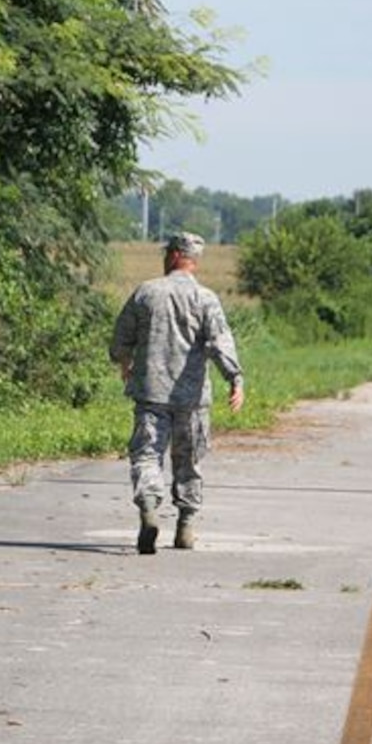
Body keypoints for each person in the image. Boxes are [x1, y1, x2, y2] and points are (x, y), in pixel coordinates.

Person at [109, 232, 245, 554]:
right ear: (193, 261)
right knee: (189, 461)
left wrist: (124, 361)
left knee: (146, 456)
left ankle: (149, 509)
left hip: (150, 393)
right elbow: (219, 343)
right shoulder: (205, 298)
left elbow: (121, 338)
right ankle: (185, 526)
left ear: (172, 255)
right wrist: (235, 379)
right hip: (192, 399)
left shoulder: (146, 292)